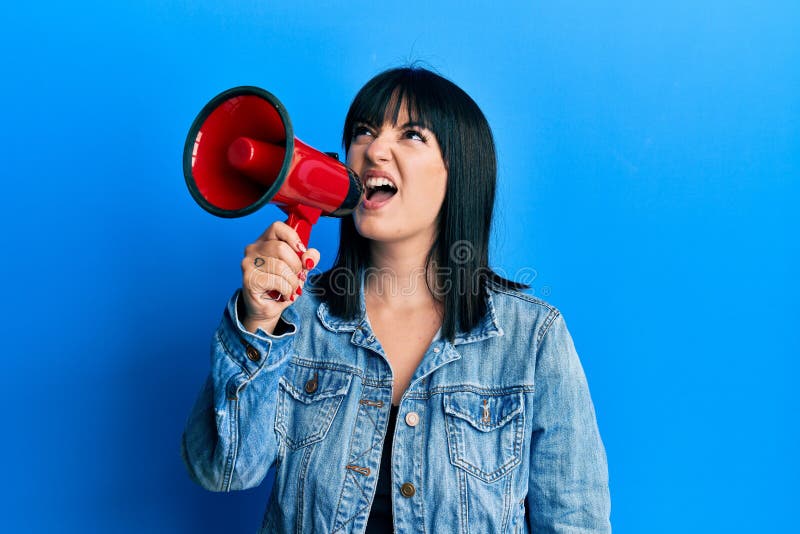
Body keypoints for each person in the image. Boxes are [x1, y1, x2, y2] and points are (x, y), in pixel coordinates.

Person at [182, 66, 611, 533]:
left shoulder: (531, 339)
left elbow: (576, 521)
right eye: (364, 132)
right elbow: (222, 470)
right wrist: (258, 322)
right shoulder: (295, 320)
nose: (374, 150)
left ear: (460, 171)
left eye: (411, 135)